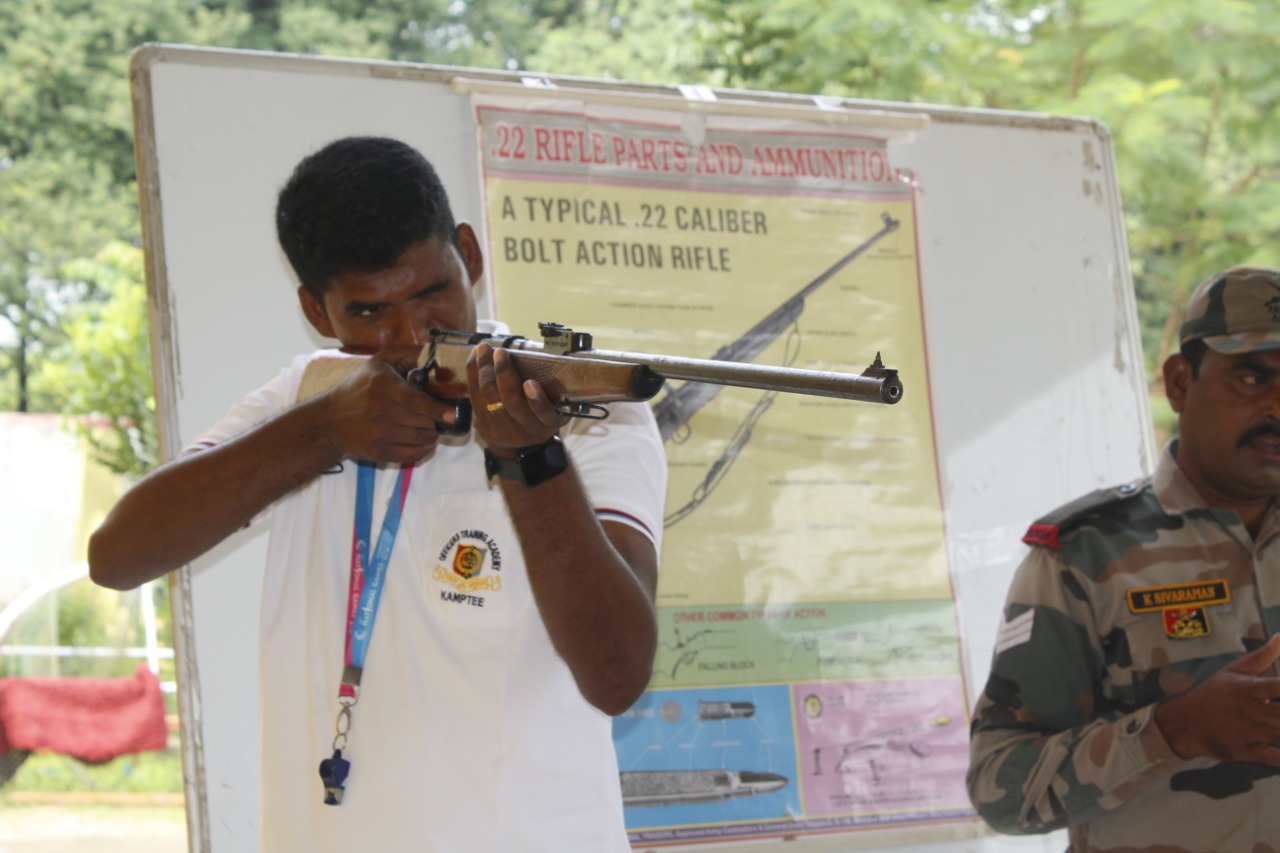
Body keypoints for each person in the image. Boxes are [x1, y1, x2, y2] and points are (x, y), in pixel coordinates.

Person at [88, 136, 667, 851]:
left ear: (469, 255)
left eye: (432, 293)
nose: (412, 334)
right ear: (316, 310)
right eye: (369, 312)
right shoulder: (307, 397)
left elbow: (616, 674)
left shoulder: (581, 410)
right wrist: (322, 432)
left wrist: (532, 461)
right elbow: (118, 556)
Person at [966, 265, 1280, 852]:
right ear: (1180, 382)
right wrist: (1172, 731)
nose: (1277, 407)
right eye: (1252, 377)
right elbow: (1000, 789)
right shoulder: (1085, 555)